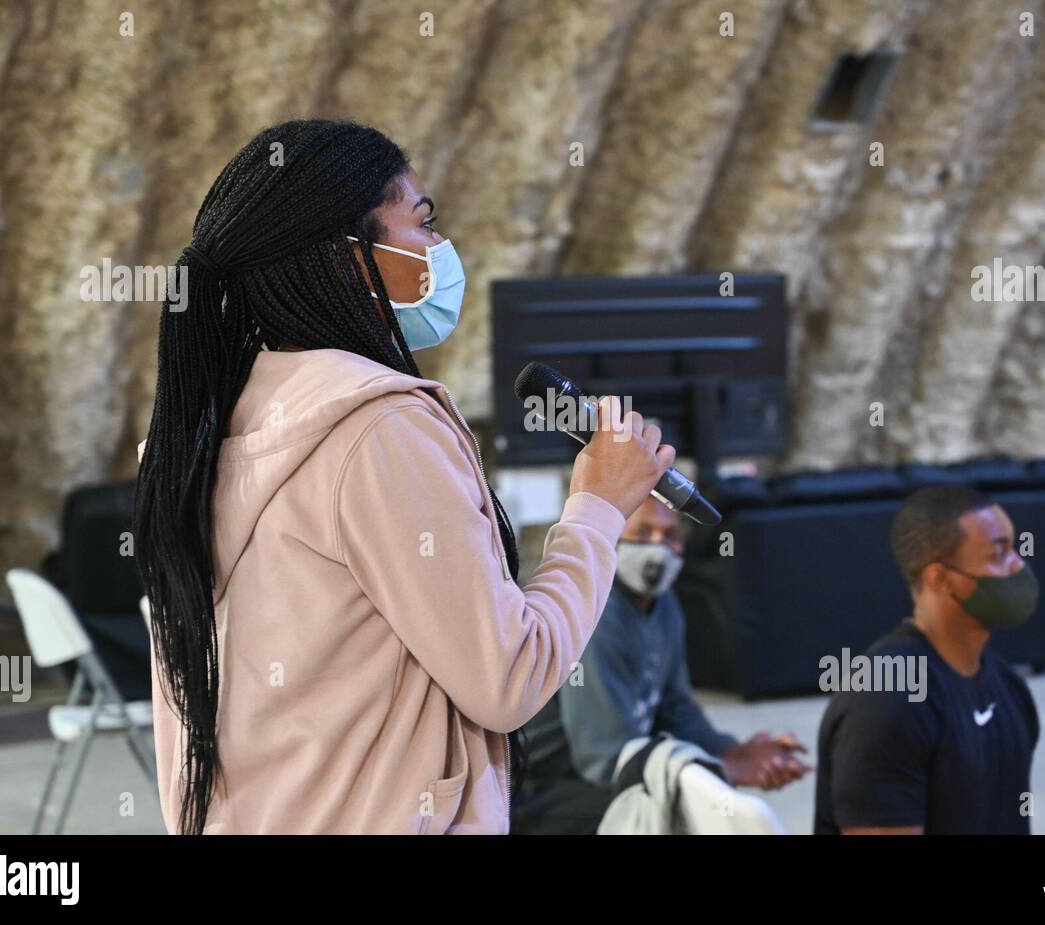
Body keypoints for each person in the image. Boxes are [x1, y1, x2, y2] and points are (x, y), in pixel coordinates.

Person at [133, 119, 675, 834]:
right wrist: (598, 509)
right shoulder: (381, 428)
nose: (440, 250)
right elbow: (508, 677)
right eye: (421, 225)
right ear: (348, 257)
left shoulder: (204, 430)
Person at [513, 497, 811, 834]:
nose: (658, 546)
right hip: (542, 788)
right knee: (677, 805)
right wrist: (721, 767)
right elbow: (605, 756)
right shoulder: (597, 613)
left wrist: (734, 750)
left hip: (601, 774)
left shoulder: (664, 604)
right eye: (642, 532)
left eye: (670, 534)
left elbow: (676, 708)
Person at [814, 485, 1041, 835]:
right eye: (999, 554)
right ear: (940, 578)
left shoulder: (1007, 685)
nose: (1017, 566)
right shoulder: (887, 698)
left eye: (1015, 549)